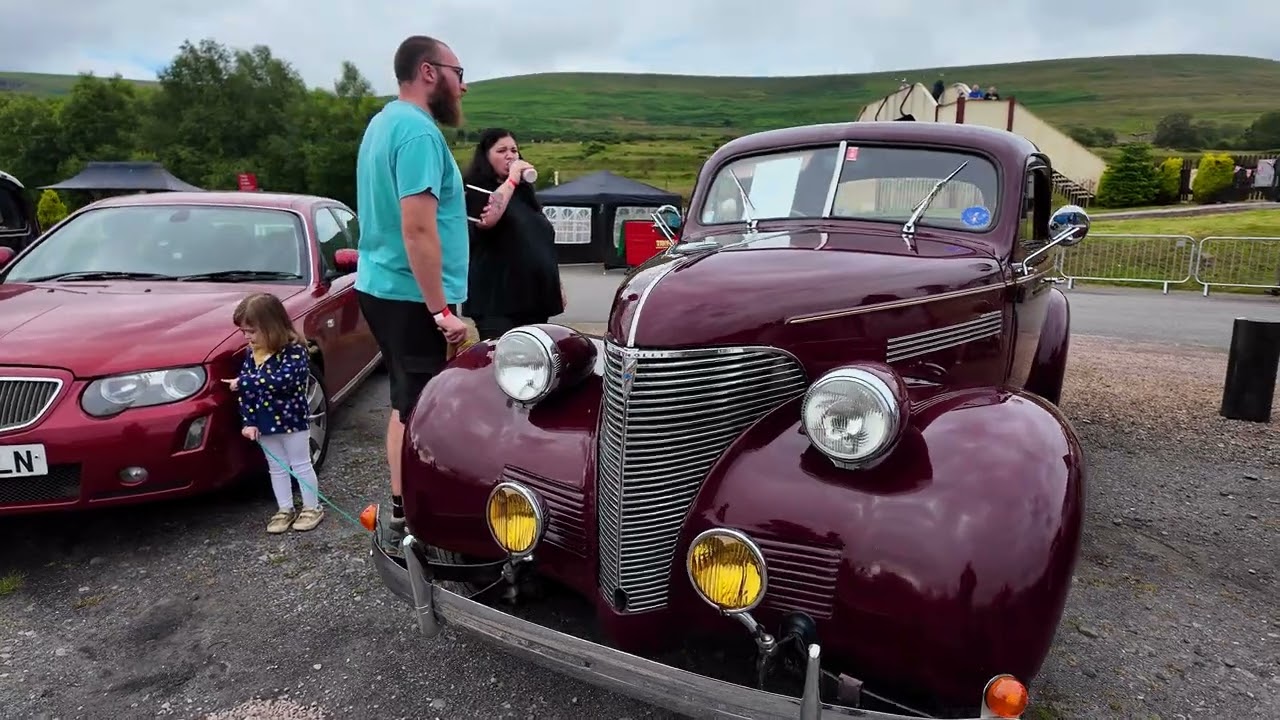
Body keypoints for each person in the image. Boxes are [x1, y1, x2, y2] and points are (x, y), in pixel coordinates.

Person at [353, 34, 470, 556]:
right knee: (426, 411)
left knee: (404, 403)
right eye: (458, 72)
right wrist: (441, 310)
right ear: (429, 71)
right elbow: (417, 230)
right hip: (411, 295)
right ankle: (425, 526)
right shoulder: (419, 134)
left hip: (382, 287)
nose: (463, 86)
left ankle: (403, 506)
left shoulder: (383, 124)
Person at [226, 292, 324, 534]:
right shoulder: (252, 354)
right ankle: (285, 509)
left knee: (301, 464)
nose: (247, 337)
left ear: (271, 327)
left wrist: (246, 381)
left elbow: (283, 382)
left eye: (252, 331)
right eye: (244, 332)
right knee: (276, 467)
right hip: (264, 423)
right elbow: (248, 395)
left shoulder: (294, 352)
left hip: (292, 421)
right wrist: (248, 421)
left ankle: (312, 506)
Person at [461, 128, 565, 339]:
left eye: (514, 150)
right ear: (486, 156)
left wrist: (557, 284)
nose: (510, 156)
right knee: (504, 360)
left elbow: (540, 243)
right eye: (501, 150)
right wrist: (512, 179)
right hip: (497, 301)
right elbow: (487, 220)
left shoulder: (524, 195)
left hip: (534, 299)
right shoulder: (476, 189)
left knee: (534, 364)